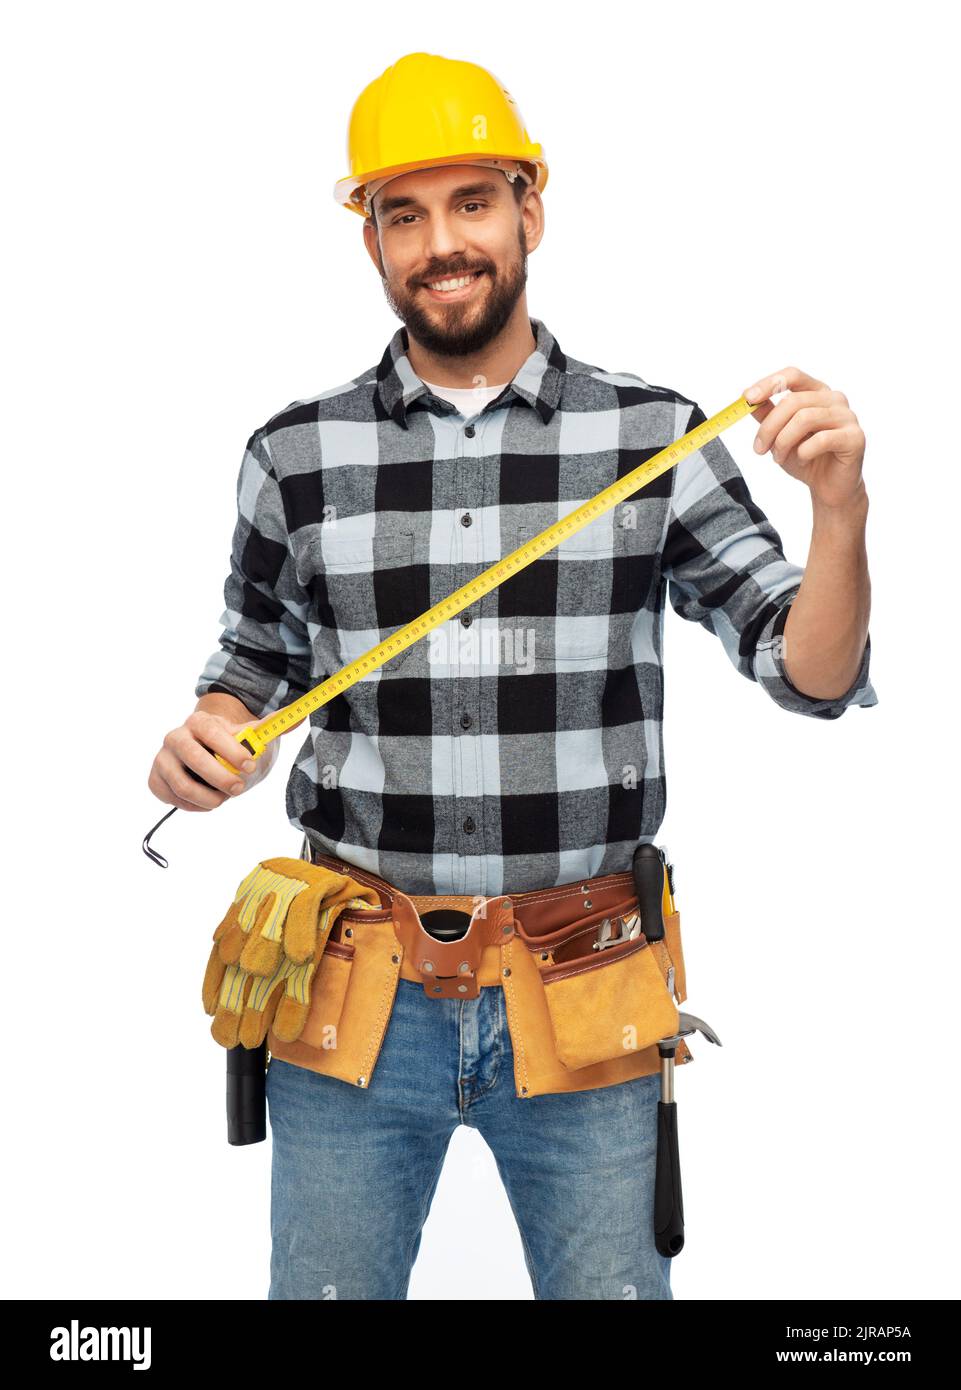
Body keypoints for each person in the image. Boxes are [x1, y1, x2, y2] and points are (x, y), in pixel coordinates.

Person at [148, 52, 877, 1301]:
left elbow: (804, 671)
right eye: (403, 212)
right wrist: (206, 738)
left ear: (530, 209)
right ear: (369, 238)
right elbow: (250, 668)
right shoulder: (295, 453)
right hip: (350, 994)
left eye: (472, 202)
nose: (442, 242)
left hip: (584, 983)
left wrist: (839, 513)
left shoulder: (655, 439)